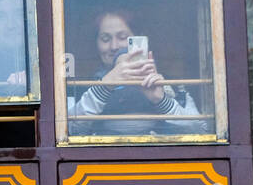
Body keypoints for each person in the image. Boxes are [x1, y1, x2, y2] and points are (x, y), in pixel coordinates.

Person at [68, 10, 204, 135]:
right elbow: (67, 131)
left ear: (139, 40)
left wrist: (161, 100)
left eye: (123, 37)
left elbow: (201, 132)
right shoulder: (84, 87)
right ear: (96, 43)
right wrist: (104, 88)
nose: (114, 46)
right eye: (105, 39)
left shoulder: (169, 84)